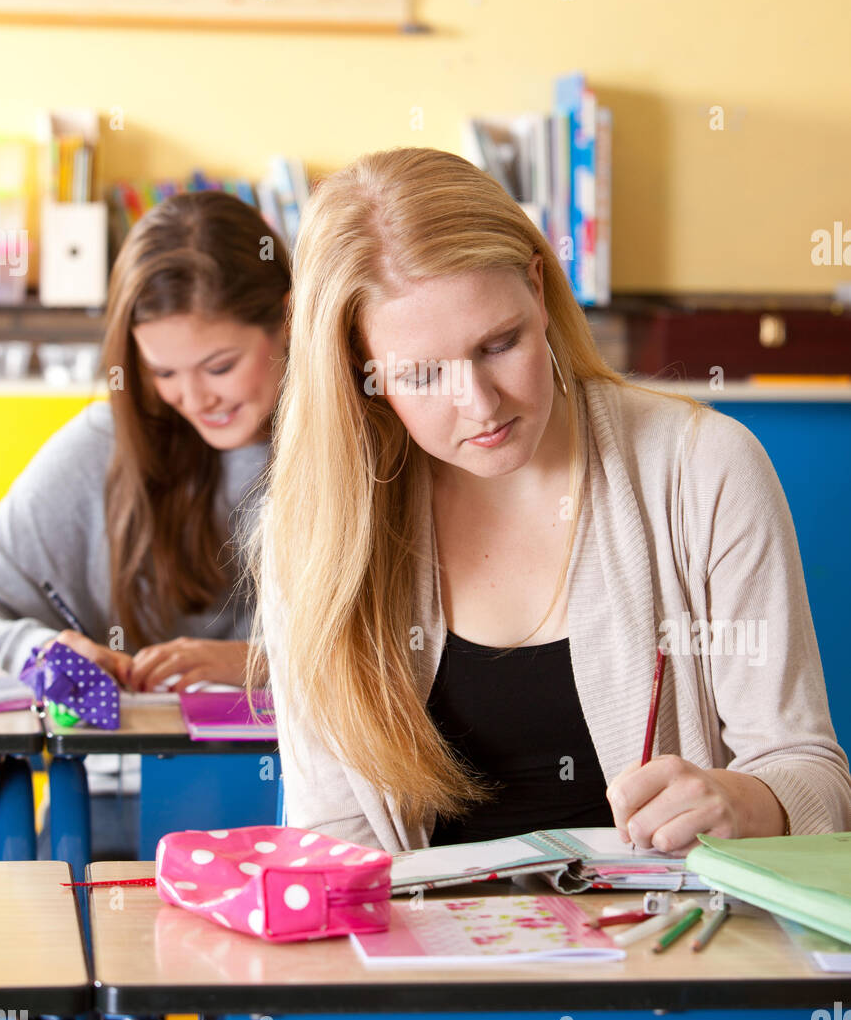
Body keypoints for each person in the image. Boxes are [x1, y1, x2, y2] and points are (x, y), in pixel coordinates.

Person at [249, 146, 851, 856]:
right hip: (424, 961)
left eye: (499, 344)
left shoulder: (703, 468)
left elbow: (816, 780)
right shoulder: (317, 531)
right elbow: (332, 840)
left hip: (673, 950)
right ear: (360, 370)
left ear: (538, 288)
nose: (479, 403)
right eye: (422, 374)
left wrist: (748, 801)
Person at [0, 190, 290, 854]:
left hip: (314, 807)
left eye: (220, 366)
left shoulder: (366, 450)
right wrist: (40, 652)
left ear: (288, 321)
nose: (194, 398)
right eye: (163, 373)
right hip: (125, 814)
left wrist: (261, 663)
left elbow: (428, 648)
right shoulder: (99, 451)